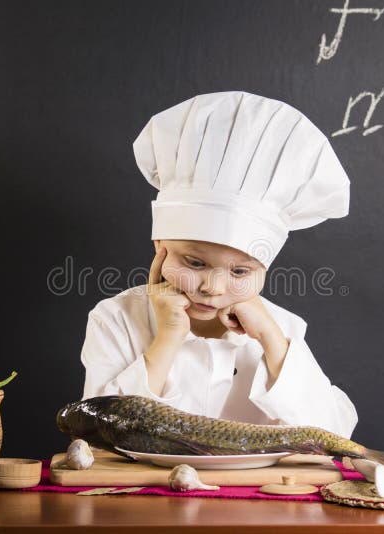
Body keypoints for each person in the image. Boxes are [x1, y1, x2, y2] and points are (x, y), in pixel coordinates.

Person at [79, 91, 358, 438]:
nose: (213, 287)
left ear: (264, 269)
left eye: (240, 271)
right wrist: (168, 337)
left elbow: (333, 436)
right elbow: (98, 435)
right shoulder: (116, 319)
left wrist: (271, 339)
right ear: (160, 244)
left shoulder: (282, 329)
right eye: (195, 262)